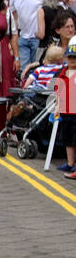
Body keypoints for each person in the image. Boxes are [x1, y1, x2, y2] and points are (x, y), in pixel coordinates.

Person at [9, 0, 45, 74]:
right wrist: (14, 38)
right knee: (23, 70)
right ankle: (25, 92)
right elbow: (13, 18)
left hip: (38, 38)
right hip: (22, 37)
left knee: (37, 69)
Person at [56, 41, 76, 179]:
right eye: (70, 57)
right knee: (67, 139)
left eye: (75, 57)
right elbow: (58, 92)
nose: (72, 60)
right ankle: (70, 163)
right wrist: (57, 106)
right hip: (65, 110)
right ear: (65, 59)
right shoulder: (62, 73)